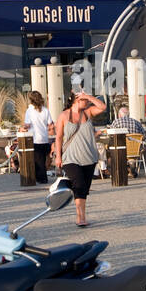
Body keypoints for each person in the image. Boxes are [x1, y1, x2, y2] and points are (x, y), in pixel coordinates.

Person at [53, 79, 106, 227]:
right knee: (79, 184)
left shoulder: (88, 113)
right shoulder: (64, 115)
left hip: (88, 156)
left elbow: (102, 106)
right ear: (76, 99)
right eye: (84, 99)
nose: (87, 103)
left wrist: (88, 97)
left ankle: (82, 216)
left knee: (84, 188)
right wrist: (58, 156)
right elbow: (58, 137)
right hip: (70, 157)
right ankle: (79, 217)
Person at [23, 91, 55, 184]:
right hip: (44, 138)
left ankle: (41, 178)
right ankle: (41, 177)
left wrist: (22, 127)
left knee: (37, 160)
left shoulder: (29, 111)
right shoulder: (45, 110)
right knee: (42, 159)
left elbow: (27, 125)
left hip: (34, 138)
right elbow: (50, 124)